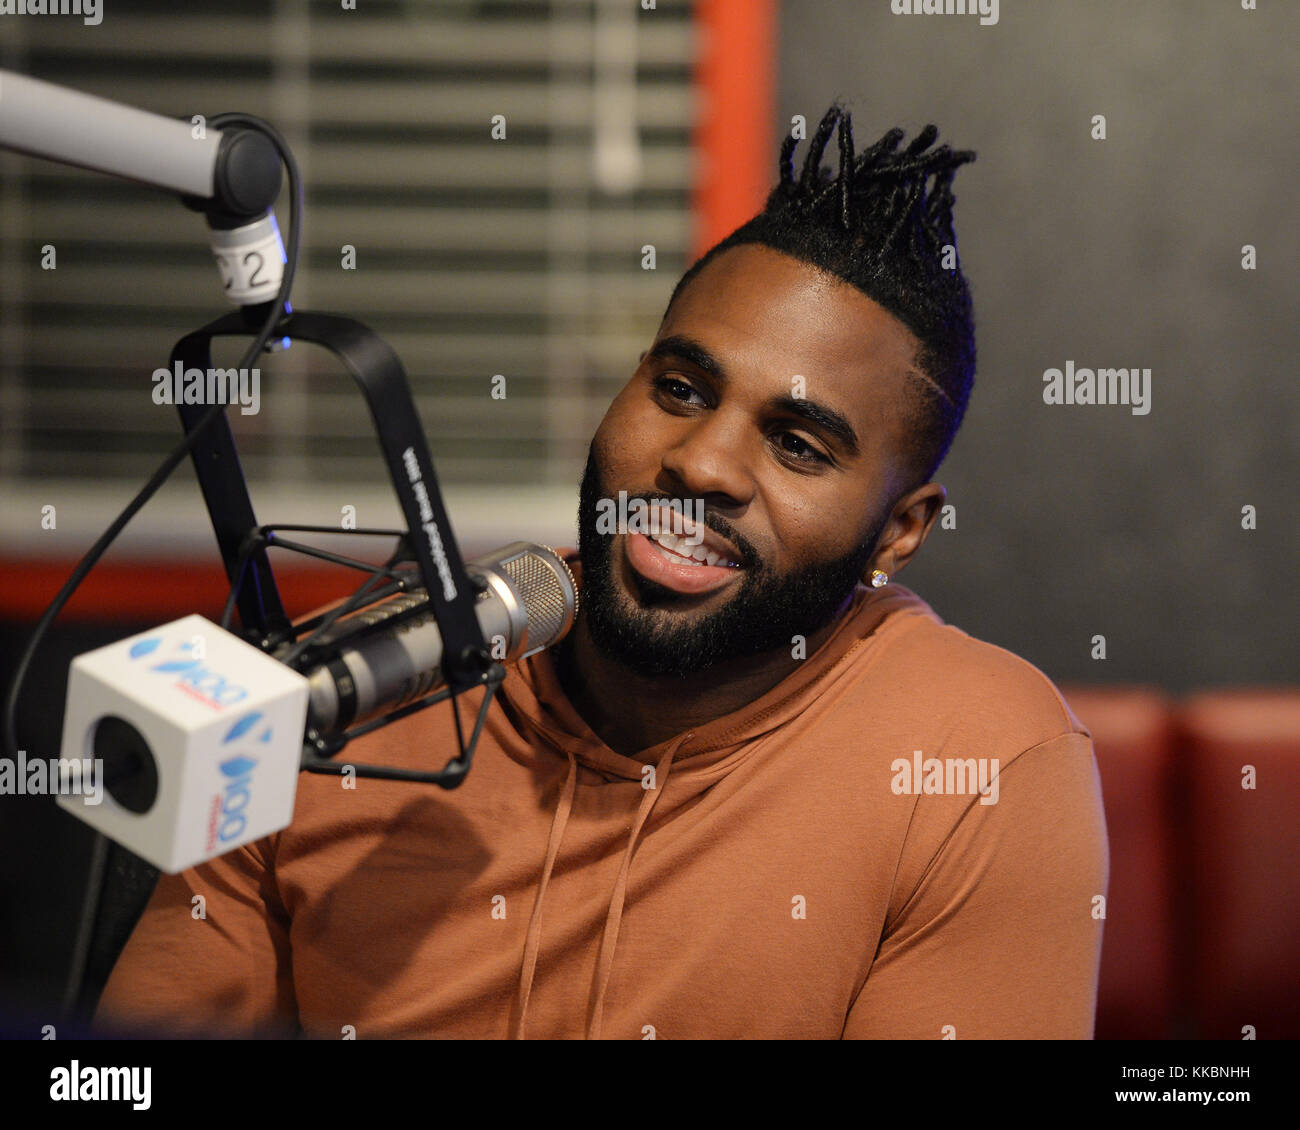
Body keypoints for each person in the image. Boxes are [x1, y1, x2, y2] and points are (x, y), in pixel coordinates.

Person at [94, 103, 1108, 1040]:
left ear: (898, 531)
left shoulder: (978, 757)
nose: (702, 462)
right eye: (679, 386)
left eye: (798, 444)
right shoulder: (346, 678)